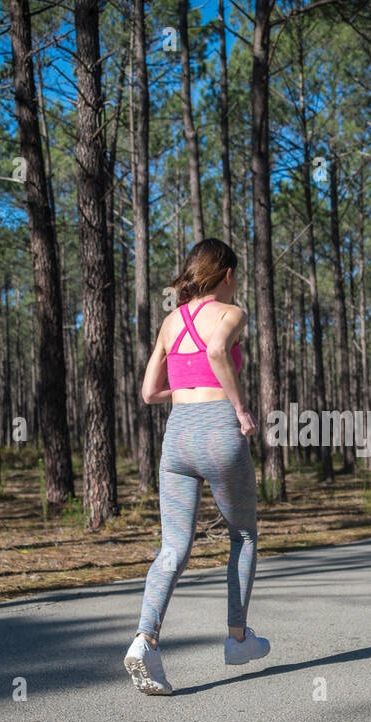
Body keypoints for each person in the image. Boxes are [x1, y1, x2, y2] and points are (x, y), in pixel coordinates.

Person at [123, 238, 269, 695]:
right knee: (242, 534)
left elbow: (149, 393)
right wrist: (240, 408)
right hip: (219, 432)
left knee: (173, 549)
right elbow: (217, 353)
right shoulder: (233, 313)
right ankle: (238, 640)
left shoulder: (171, 321)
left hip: (178, 438)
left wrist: (184, 393)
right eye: (236, 276)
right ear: (226, 274)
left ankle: (145, 640)